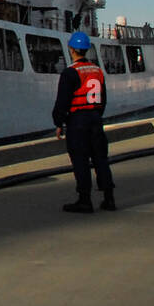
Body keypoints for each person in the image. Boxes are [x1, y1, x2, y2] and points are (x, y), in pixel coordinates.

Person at [52, 31, 116, 213]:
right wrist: (97, 115)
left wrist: (59, 123)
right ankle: (109, 198)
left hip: (78, 121)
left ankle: (85, 200)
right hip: (96, 119)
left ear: (71, 49)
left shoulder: (70, 73)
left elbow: (62, 102)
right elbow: (103, 99)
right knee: (101, 159)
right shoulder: (97, 71)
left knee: (80, 161)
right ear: (87, 49)